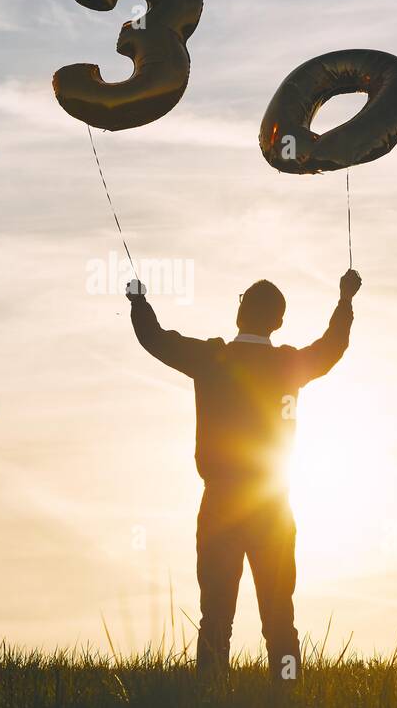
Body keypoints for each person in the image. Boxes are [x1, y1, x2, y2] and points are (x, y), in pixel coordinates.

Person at [126, 269, 361, 681]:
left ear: (240, 311)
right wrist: (345, 300)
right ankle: (287, 694)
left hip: (221, 502)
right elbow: (333, 346)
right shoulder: (289, 364)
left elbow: (155, 339)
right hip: (272, 503)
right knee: (278, 614)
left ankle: (210, 698)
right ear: (278, 322)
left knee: (215, 614)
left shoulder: (213, 358)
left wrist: (138, 300)